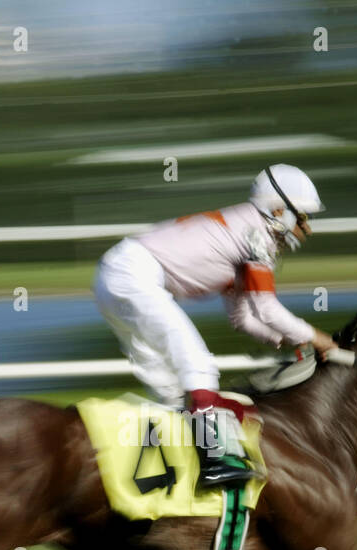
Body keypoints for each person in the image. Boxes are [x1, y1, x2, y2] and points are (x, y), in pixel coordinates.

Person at [94, 164, 337, 490]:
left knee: (169, 391)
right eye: (303, 217)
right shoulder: (257, 235)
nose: (306, 229)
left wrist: (284, 340)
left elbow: (244, 318)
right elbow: (266, 307)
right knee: (197, 364)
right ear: (278, 209)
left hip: (112, 274)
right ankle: (214, 463)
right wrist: (317, 338)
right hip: (134, 275)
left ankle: (161, 469)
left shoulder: (246, 231)